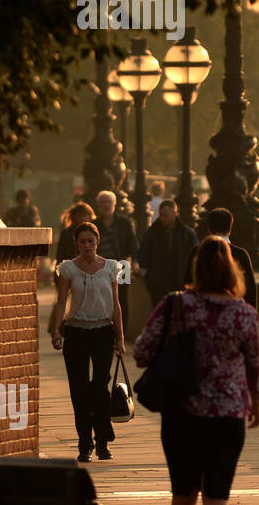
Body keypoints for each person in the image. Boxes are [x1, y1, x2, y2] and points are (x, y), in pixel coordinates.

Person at [134, 236, 259, 505]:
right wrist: (255, 402)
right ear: (232, 271)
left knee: (182, 496)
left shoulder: (175, 304)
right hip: (227, 417)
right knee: (216, 498)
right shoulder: (244, 313)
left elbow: (141, 351)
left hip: (182, 412)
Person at [49, 222, 125, 462]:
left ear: (97, 241)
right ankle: (85, 443)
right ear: (76, 243)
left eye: (90, 241)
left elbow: (116, 305)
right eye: (82, 242)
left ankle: (102, 441)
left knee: (101, 386)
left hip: (103, 332)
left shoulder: (111, 268)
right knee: (79, 390)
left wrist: (120, 338)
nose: (87, 246)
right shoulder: (68, 269)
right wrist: (56, 330)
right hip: (77, 332)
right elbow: (61, 302)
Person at [183, 207, 257, 308]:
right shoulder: (240, 254)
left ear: (209, 228)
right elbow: (250, 291)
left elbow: (187, 283)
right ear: (230, 229)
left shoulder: (196, 252)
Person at [138, 200, 198, 307]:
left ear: (175, 213)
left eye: (165, 215)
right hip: (158, 282)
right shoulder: (152, 232)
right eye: (161, 215)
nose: (162, 218)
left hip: (179, 281)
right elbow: (143, 251)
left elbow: (194, 256)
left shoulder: (187, 234)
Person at [93, 190, 137, 332]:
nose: (106, 205)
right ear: (98, 205)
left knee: (122, 299)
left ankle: (120, 332)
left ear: (114, 204)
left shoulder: (124, 223)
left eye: (109, 202)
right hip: (100, 266)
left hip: (122, 265)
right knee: (102, 298)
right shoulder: (94, 225)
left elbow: (132, 243)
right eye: (103, 202)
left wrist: (135, 261)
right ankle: (104, 330)